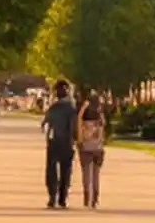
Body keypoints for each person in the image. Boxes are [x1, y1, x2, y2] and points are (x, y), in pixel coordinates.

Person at [40, 80, 77, 209]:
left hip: (54, 141)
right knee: (65, 171)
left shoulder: (53, 107)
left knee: (52, 170)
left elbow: (44, 123)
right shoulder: (72, 106)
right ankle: (62, 197)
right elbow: (74, 126)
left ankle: (52, 196)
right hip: (66, 142)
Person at [76, 90, 107, 209]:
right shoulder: (99, 122)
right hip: (98, 149)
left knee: (86, 175)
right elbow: (104, 127)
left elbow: (78, 123)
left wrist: (82, 109)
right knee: (96, 175)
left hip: (85, 149)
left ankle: (86, 197)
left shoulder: (84, 123)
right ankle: (95, 198)